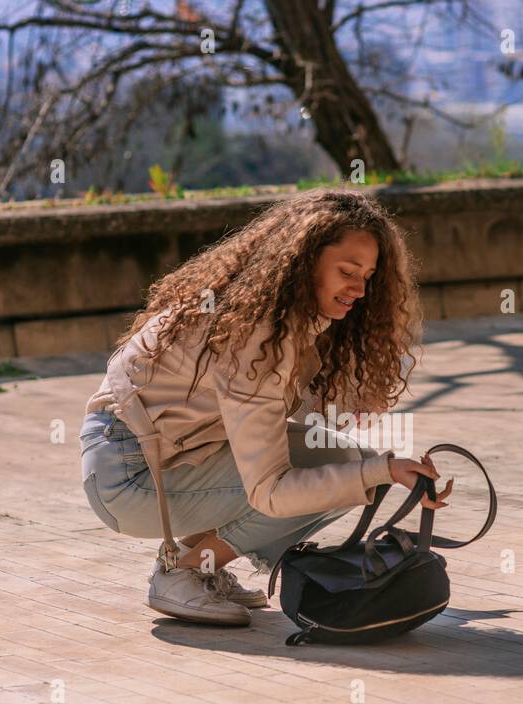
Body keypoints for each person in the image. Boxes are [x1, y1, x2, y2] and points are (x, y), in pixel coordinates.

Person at [79, 189, 452, 627]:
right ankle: (183, 572)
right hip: (126, 478)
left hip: (157, 453)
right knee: (341, 476)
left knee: (349, 462)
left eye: (368, 276)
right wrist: (382, 472)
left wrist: (394, 470)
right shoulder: (255, 339)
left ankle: (199, 564)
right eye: (347, 271)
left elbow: (294, 427)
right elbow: (271, 492)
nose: (360, 289)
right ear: (304, 262)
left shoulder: (274, 315)